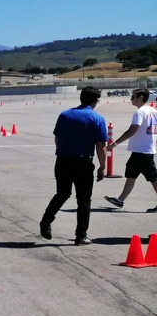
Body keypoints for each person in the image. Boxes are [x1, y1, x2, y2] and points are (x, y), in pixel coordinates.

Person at [40, 86, 108, 245]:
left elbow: (57, 138)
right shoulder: (97, 119)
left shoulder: (65, 115)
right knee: (84, 200)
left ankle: (46, 220)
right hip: (83, 162)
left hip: (63, 160)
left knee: (62, 193)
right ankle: (80, 235)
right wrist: (102, 167)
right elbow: (101, 146)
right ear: (95, 101)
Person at [103, 88, 157, 211]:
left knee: (153, 178)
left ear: (140, 98)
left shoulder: (140, 112)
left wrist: (114, 144)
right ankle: (120, 200)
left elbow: (132, 130)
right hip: (140, 150)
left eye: (133, 97)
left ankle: (121, 200)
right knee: (131, 175)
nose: (131, 99)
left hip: (143, 151)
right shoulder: (153, 110)